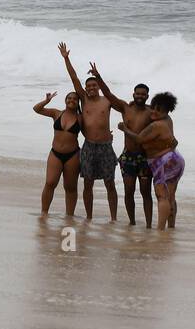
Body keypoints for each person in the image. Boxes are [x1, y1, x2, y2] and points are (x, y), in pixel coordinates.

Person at [88, 64, 157, 227]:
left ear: (147, 96)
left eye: (143, 94)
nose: (140, 96)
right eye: (137, 93)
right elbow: (108, 94)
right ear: (133, 94)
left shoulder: (151, 112)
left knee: (146, 192)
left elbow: (162, 128)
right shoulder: (125, 108)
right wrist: (98, 77)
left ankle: (148, 225)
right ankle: (132, 223)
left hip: (145, 157)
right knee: (128, 191)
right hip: (127, 156)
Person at [58, 43, 118, 221]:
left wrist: (98, 76)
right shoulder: (83, 99)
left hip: (106, 147)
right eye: (88, 86)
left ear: (98, 87)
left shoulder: (107, 100)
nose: (91, 88)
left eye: (94, 85)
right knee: (88, 184)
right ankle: (89, 217)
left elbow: (126, 109)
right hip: (89, 147)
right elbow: (74, 77)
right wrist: (66, 58)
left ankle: (113, 218)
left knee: (110, 183)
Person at [119, 92, 182, 231]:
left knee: (162, 196)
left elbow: (139, 139)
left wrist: (124, 129)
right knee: (171, 196)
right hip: (175, 159)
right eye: (153, 107)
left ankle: (160, 230)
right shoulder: (168, 119)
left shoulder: (156, 125)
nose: (154, 112)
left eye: (159, 110)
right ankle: (171, 228)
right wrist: (137, 104)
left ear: (166, 112)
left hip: (163, 161)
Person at [33, 90, 81, 215]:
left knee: (70, 187)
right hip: (55, 153)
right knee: (50, 183)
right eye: (69, 98)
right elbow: (36, 109)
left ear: (78, 102)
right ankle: (44, 213)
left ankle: (69, 216)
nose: (71, 100)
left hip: (73, 155)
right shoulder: (56, 113)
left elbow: (92, 130)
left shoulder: (81, 118)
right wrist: (46, 101)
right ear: (65, 100)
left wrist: (106, 135)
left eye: (75, 99)